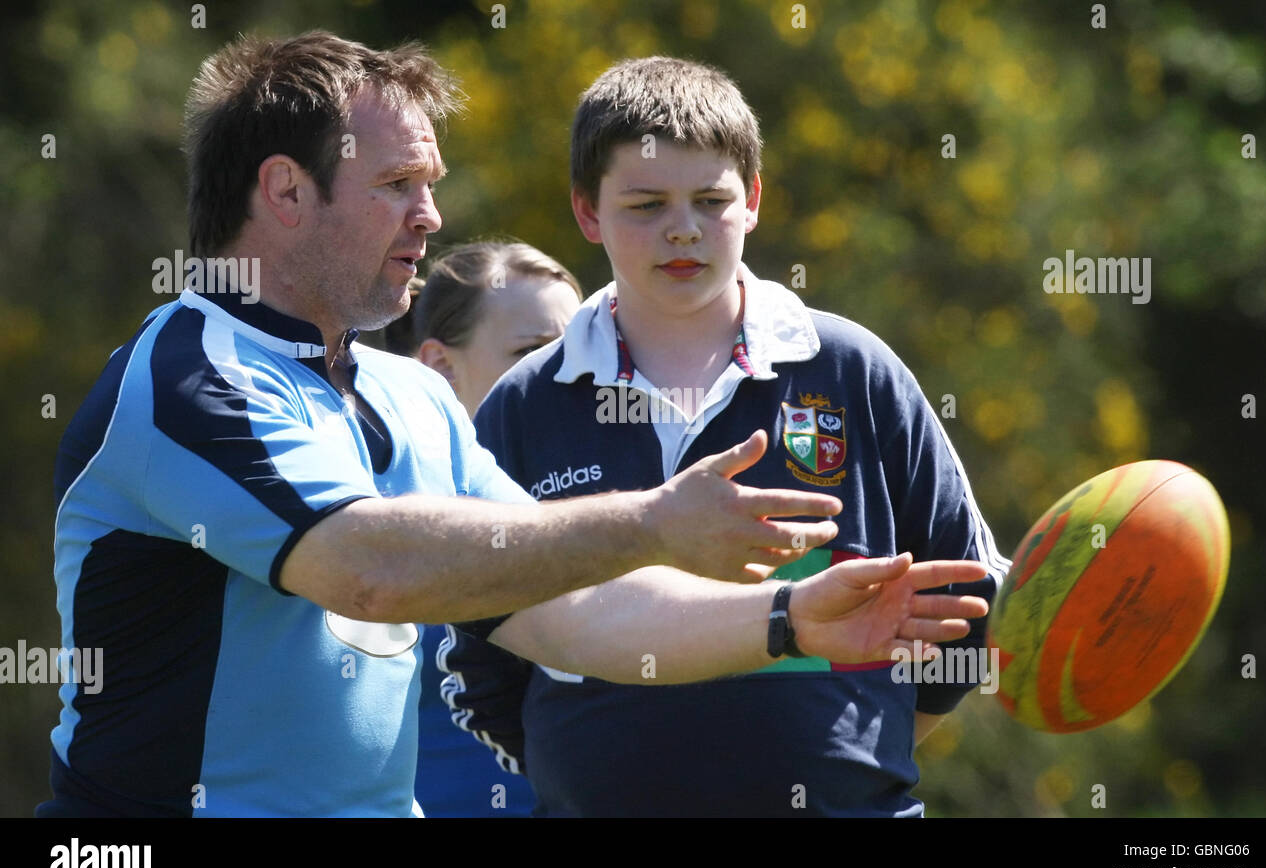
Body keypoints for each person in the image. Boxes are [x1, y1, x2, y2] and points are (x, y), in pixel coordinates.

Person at [41, 32, 989, 817]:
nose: (432, 214)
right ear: (286, 192)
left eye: (432, 183)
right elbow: (364, 568)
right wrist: (650, 522)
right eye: (398, 184)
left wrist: (785, 619)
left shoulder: (408, 395)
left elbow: (569, 609)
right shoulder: (190, 374)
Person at [445, 56, 1012, 817]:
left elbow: (965, 598)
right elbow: (476, 654)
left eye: (710, 200)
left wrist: (858, 758)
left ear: (751, 201)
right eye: (645, 204)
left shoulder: (853, 370)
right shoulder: (522, 406)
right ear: (587, 211)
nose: (682, 228)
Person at [385, 242, 582, 816]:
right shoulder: (378, 510)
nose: (561, 375)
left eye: (576, 351)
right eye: (530, 352)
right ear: (439, 366)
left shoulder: (612, 503)